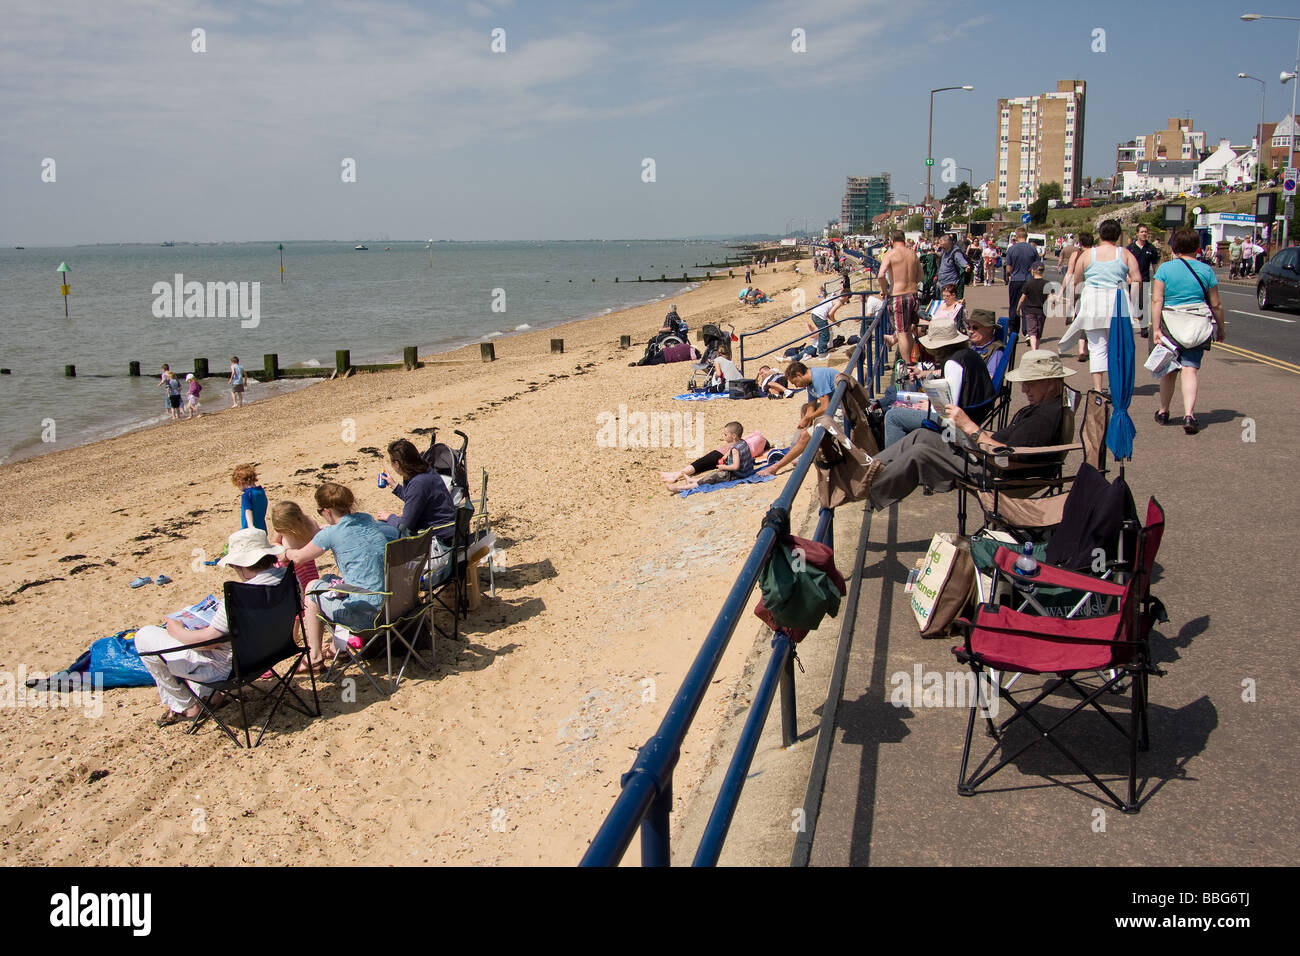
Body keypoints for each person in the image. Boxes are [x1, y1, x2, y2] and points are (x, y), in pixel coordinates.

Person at [857, 350, 1076, 513]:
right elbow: (1009, 445)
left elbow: (1006, 458)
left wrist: (969, 427)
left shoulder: (1043, 418)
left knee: (921, 453)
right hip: (984, 455)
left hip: (994, 471)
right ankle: (864, 470)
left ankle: (865, 491)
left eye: (1029, 383)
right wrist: (970, 435)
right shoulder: (1043, 406)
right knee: (921, 435)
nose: (1023, 389)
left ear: (1050, 383)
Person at [136, 528, 288, 726]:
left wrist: (176, 630)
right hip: (273, 652)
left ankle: (186, 706)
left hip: (231, 669)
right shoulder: (286, 578)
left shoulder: (240, 597)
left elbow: (206, 643)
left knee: (144, 635)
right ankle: (210, 695)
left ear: (241, 565)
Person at [283, 482, 400, 653]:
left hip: (368, 616)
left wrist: (285, 552)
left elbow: (299, 558)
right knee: (328, 579)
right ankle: (338, 648)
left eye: (320, 512)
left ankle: (315, 655)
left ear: (327, 511)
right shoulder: (367, 519)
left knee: (312, 589)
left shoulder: (330, 534)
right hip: (396, 606)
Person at [1151, 227, 1227, 435]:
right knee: (1190, 369)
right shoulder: (1206, 270)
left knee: (1169, 369)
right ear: (1197, 247)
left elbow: (1157, 300)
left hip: (1170, 322)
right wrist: (1220, 328)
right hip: (1197, 322)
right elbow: (1216, 304)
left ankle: (1164, 411)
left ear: (1175, 246)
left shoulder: (1165, 269)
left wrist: (1156, 328)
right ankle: (1189, 414)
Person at [1058, 220, 1141, 394]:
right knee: (1115, 347)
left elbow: (1076, 280)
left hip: (1093, 304)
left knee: (1096, 348)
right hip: (1117, 304)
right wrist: (1132, 304)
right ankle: (1113, 386)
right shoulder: (1125, 254)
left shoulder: (1088, 255)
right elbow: (1137, 280)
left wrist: (1073, 301)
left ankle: (1097, 388)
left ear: (1100, 234)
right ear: (1117, 236)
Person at [882, 320, 993, 447]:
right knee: (894, 395)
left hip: (960, 421)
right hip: (974, 412)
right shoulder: (969, 354)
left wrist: (930, 407)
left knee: (893, 416)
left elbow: (950, 408)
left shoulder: (953, 363)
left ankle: (894, 458)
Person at [269, 501, 326, 669]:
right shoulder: (283, 529)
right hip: (290, 569)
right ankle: (292, 641)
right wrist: (282, 551)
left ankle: (308, 640)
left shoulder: (309, 524)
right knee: (295, 607)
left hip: (305, 569)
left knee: (307, 606)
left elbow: (319, 542)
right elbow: (274, 542)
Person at [375, 438, 456, 540]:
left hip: (433, 536)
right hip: (442, 528)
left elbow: (404, 526)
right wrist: (394, 486)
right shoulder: (425, 470)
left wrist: (390, 517)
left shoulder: (418, 483)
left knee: (376, 531)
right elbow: (415, 498)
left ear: (397, 464)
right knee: (379, 525)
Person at [665, 421, 755, 492]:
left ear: (734, 436)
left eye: (725, 435)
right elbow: (732, 449)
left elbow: (735, 466)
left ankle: (682, 488)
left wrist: (724, 467)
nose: (724, 437)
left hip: (738, 474)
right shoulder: (742, 442)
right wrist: (725, 456)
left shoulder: (735, 449)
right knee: (714, 474)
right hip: (747, 470)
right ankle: (693, 480)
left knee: (713, 477)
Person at [877, 231, 923, 369]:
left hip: (898, 295)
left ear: (892, 241)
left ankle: (908, 366)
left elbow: (880, 275)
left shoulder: (890, 254)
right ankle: (911, 362)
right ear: (904, 239)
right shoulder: (912, 254)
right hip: (913, 294)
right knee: (909, 330)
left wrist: (885, 290)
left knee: (902, 332)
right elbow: (921, 276)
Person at [660, 430, 771, 483]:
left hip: (726, 452)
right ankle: (676, 474)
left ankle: (677, 475)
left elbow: (744, 440)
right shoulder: (760, 444)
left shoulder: (758, 437)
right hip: (729, 454)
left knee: (701, 463)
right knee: (703, 466)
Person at [1064, 232, 1095, 364]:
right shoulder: (1096, 255)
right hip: (1093, 290)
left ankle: (1082, 348)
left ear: (1080, 243)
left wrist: (1062, 291)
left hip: (1079, 289)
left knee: (1080, 318)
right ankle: (1086, 348)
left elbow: (1069, 274)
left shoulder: (1076, 255)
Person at [1126, 224, 1161, 337]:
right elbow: (1124, 264)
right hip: (1131, 280)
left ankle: (1144, 328)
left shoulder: (1151, 248)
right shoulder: (1130, 248)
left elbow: (1155, 265)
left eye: (1145, 231)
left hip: (1144, 280)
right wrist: (1127, 276)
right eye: (1142, 232)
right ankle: (1127, 326)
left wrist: (1158, 278)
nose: (1144, 233)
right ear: (1137, 234)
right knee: (1129, 304)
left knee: (1143, 304)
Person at [1005, 227, 1041, 335]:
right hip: (1029, 280)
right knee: (1027, 307)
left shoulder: (1012, 249)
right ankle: (1027, 332)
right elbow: (1037, 267)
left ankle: (1013, 331)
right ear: (1026, 236)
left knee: (1014, 306)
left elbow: (1008, 268)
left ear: (1016, 236)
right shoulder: (1032, 249)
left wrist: (1009, 275)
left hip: (1016, 280)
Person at [783, 360, 839, 425]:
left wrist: (808, 418)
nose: (796, 386)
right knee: (805, 408)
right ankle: (805, 430)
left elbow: (825, 407)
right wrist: (805, 420)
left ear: (799, 375)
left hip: (840, 408)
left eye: (795, 382)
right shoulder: (809, 381)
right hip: (833, 404)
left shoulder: (817, 378)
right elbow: (811, 406)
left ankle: (808, 431)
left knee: (816, 425)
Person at [965, 309, 1008, 383]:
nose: (970, 331)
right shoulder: (969, 345)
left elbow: (990, 379)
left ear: (989, 328)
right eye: (969, 327)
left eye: (975, 328)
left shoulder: (996, 350)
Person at [1016, 261, 1051, 351]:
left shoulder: (1028, 284)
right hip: (1042, 311)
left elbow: (1022, 299)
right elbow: (1051, 297)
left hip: (1030, 310)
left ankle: (1034, 350)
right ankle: (1037, 349)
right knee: (1038, 332)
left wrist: (1018, 309)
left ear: (1033, 271)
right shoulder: (1047, 284)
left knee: (1032, 332)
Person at [232, 463, 268, 531]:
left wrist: (250, 526)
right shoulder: (261, 491)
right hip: (262, 528)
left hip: (248, 529)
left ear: (240, 482)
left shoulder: (246, 495)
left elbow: (248, 510)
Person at [935, 234, 969, 299]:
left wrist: (966, 266)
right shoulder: (944, 250)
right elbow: (940, 254)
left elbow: (961, 260)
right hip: (942, 282)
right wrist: (933, 253)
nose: (942, 247)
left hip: (951, 282)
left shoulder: (956, 252)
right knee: (943, 301)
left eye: (943, 244)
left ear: (949, 243)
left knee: (950, 301)